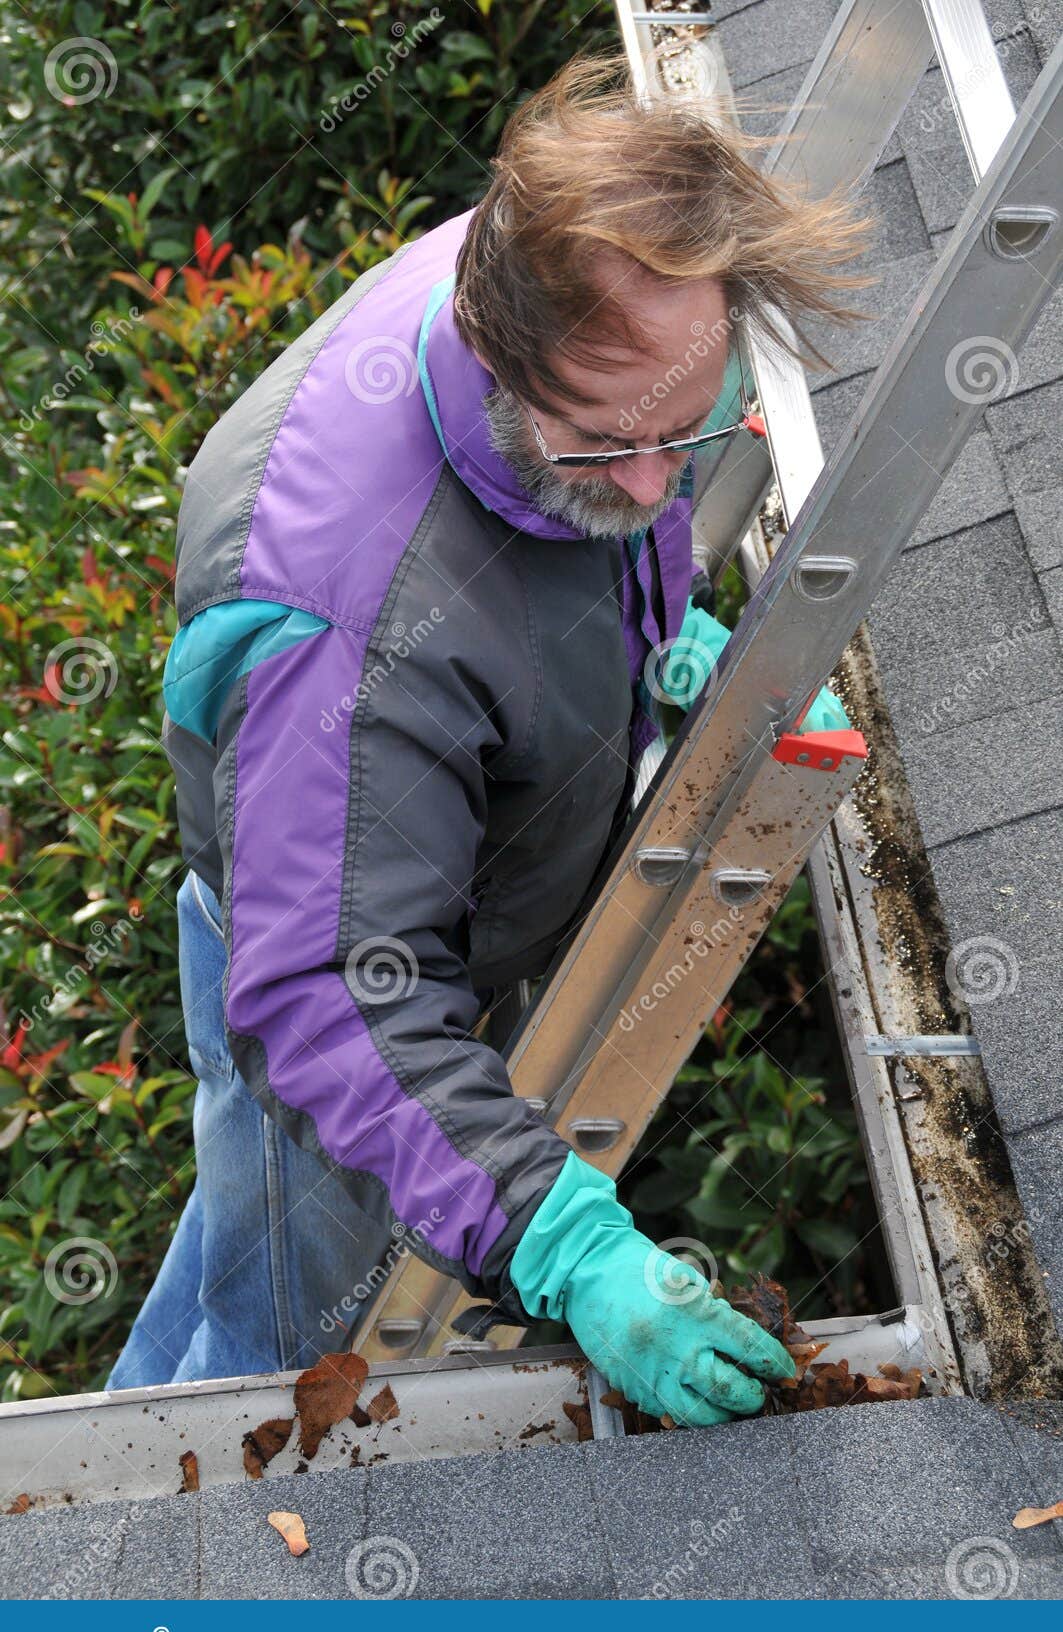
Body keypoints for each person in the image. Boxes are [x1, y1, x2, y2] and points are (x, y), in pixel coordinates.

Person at [107, 54, 870, 1424]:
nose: (652, 486)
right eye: (601, 452)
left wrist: (666, 646)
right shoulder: (343, 620)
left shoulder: (579, 272)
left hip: (425, 904)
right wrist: (560, 1242)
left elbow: (619, 479)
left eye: (683, 437)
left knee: (235, 1242)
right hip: (337, 989)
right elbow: (331, 991)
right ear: (499, 351)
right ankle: (140, 1586)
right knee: (277, 1358)